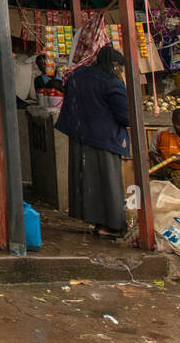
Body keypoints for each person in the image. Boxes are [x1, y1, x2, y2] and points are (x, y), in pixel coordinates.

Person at [55, 46, 130, 239]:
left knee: (88, 182)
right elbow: (125, 116)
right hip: (104, 138)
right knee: (109, 182)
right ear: (114, 65)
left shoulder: (78, 75)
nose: (120, 72)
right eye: (120, 68)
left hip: (79, 135)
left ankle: (98, 223)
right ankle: (112, 225)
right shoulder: (112, 83)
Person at [150, 107, 180, 175]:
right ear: (173, 121)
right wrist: (156, 158)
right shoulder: (162, 133)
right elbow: (152, 151)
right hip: (167, 171)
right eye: (179, 124)